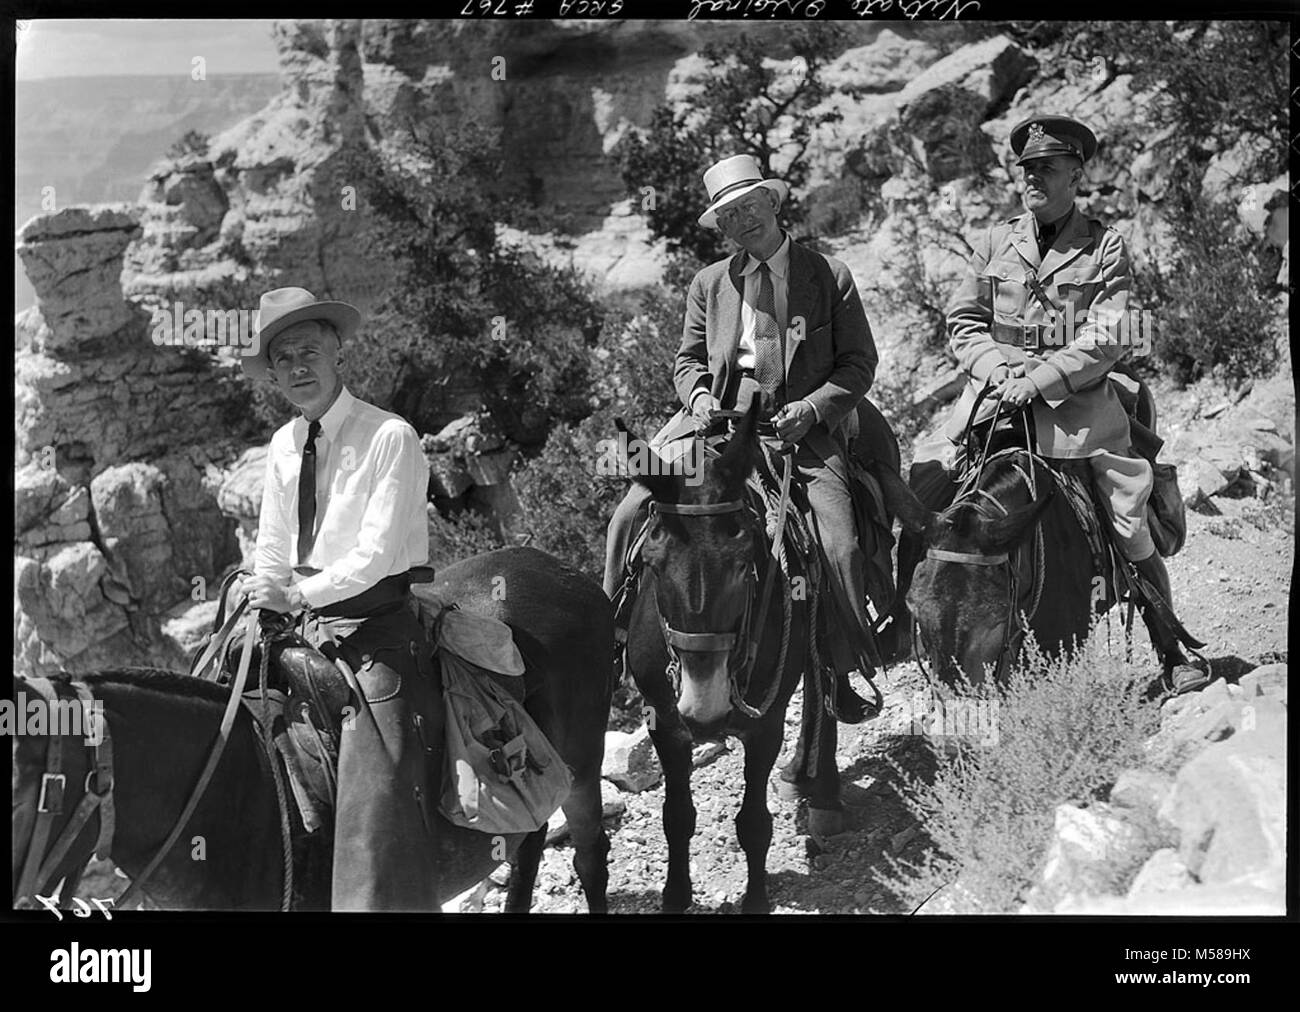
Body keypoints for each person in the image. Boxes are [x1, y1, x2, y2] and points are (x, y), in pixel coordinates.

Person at [906, 115, 1208, 692]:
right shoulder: (996, 241)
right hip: (993, 404)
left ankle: (1170, 646)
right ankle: (915, 629)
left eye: (1046, 168)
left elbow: (1109, 331)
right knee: (926, 496)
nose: (1033, 177)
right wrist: (996, 369)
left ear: (1076, 175)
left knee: (1125, 517)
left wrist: (1043, 379)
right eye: (1027, 168)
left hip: (1076, 414)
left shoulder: (1104, 245)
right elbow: (964, 321)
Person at [603, 154, 883, 719]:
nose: (742, 220)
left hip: (798, 431)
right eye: (729, 215)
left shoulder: (830, 275)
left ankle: (839, 666)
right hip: (718, 425)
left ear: (773, 203)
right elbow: (687, 361)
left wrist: (812, 408)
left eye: (750, 206)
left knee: (839, 543)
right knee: (629, 512)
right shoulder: (710, 283)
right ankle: (609, 646)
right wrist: (700, 398)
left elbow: (859, 363)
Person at [237, 286, 442, 910]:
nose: (298, 367)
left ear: (338, 356)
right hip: (296, 616)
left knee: (382, 761)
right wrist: (265, 595)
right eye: (283, 358)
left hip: (375, 619)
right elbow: (273, 542)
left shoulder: (389, 436)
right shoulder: (282, 444)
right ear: (274, 375)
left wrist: (297, 593)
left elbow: (376, 554)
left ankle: (386, 890)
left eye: (309, 351)